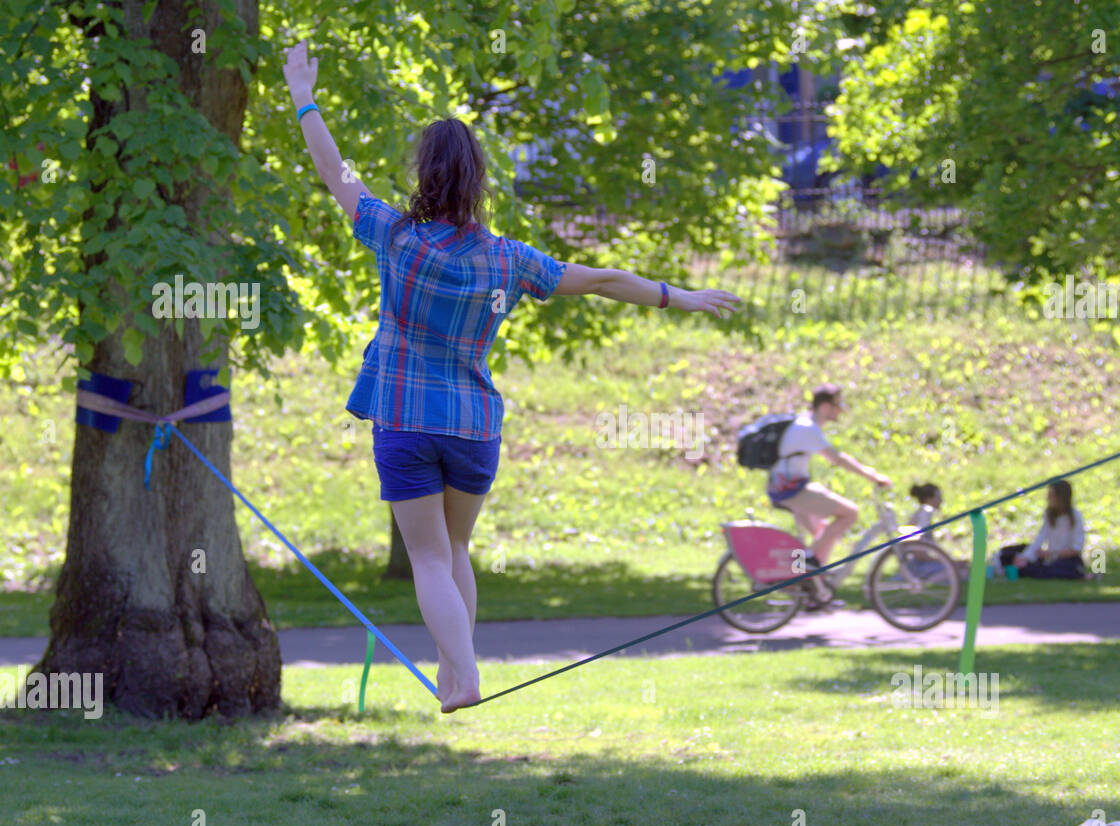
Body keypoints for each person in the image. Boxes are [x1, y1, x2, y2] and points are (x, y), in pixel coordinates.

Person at [283, 41, 742, 711]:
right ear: (477, 181)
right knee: (457, 547)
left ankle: (462, 674)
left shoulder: (394, 235)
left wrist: (304, 93)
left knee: (431, 560)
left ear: (423, 174)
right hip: (473, 427)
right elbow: (605, 280)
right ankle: (456, 669)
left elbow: (333, 169)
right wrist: (680, 297)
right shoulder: (509, 259)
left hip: (407, 421)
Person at [766, 385, 891, 605]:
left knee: (822, 532)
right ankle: (806, 565)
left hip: (788, 486)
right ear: (825, 407)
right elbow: (836, 458)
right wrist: (872, 475)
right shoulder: (807, 428)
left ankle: (814, 591)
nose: (840, 410)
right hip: (791, 489)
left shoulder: (806, 424)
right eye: (837, 405)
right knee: (850, 513)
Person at [998, 480, 1086, 579]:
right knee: (1015, 551)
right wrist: (1025, 557)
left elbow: (1076, 549)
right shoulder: (1049, 514)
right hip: (1050, 557)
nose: (1048, 498)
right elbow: (1041, 537)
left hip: (1067, 560)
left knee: (1051, 570)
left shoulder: (1075, 516)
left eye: (1052, 495)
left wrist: (1051, 553)